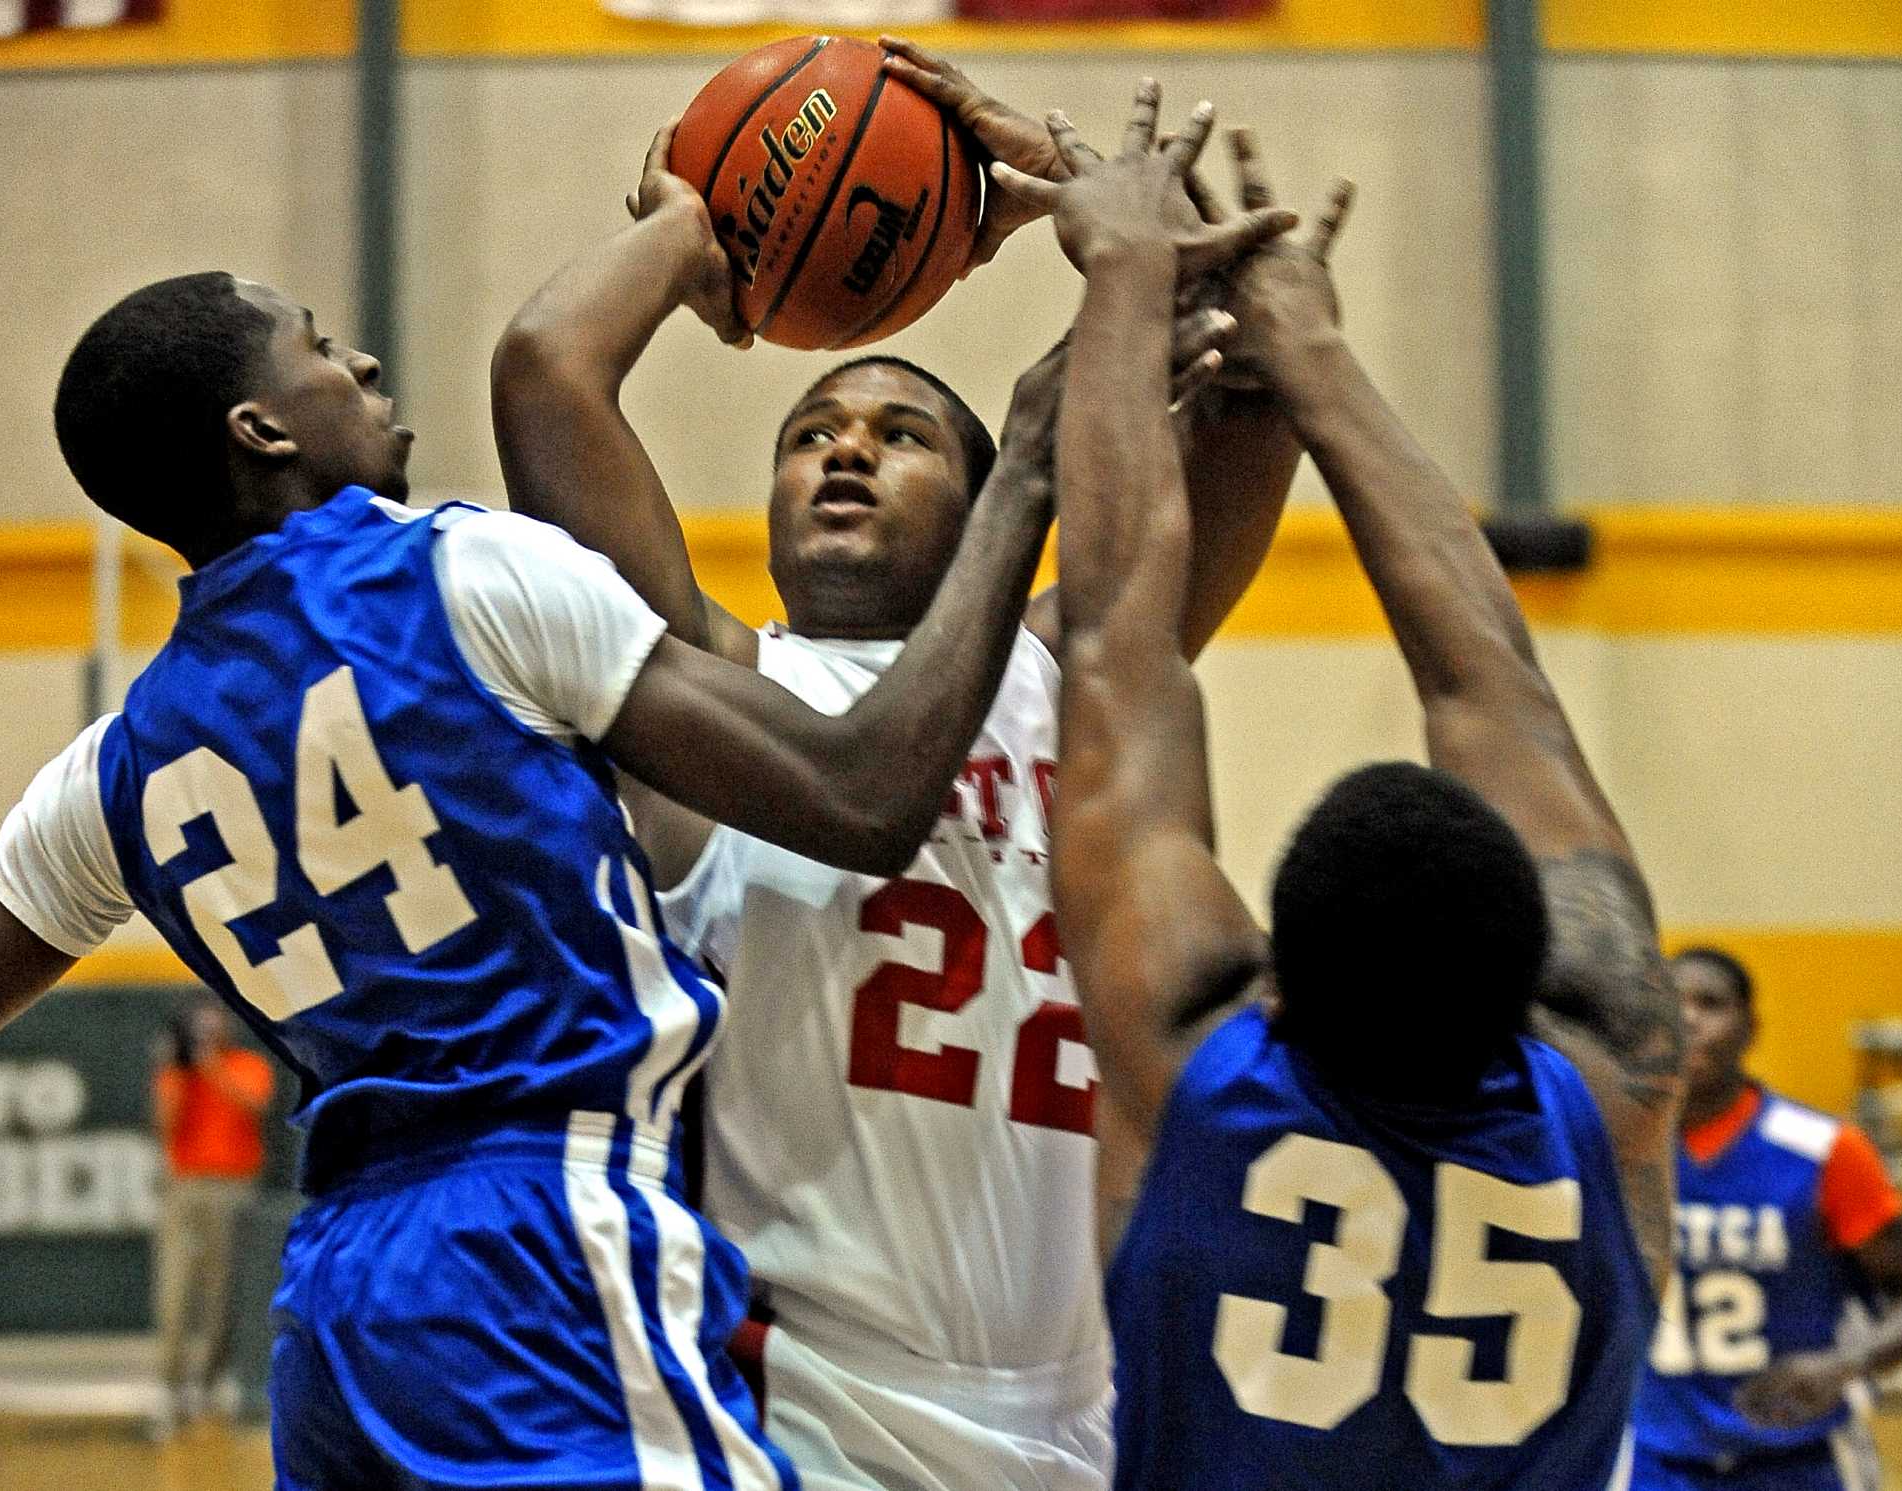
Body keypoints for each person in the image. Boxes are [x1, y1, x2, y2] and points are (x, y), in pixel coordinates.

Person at [0, 251, 1104, 1488]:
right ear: (261, 427)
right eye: (321, 346)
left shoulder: (109, 772)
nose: (363, 362)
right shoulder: (459, 569)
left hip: (336, 1295)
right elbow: (860, 795)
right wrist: (1019, 462)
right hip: (547, 1232)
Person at [490, 49, 1297, 1491]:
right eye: (812, 434)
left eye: (900, 433)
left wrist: (1080, 203)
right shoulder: (717, 697)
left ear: (998, 490)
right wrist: (690, 233)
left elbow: (1255, 397)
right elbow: (552, 374)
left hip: (1089, 1394)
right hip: (814, 1394)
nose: (844, 450)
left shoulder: (1087, 663)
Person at [1001, 91, 1685, 1488]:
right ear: (1536, 982)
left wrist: (1133, 285)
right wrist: (1316, 367)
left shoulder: (1194, 1061)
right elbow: (1498, 691)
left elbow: (1116, 640)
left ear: (1273, 982)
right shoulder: (1615, 1073)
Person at [1631, 946, 1902, 1491]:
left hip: (1802, 1456)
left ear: (1749, 1027)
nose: (1688, 1018)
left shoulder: (1824, 1149)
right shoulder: (1623, 1149)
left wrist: (1846, 1364)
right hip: (1659, 1458)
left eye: (1711, 1003)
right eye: (1672, 1003)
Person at [149, 991, 276, 1433]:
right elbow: (166, 1126)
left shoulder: (247, 1065)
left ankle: (210, 1384)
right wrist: (177, 1071)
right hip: (185, 1188)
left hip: (234, 1188)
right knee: (175, 1289)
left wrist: (212, 1067)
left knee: (224, 1293)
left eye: (213, 1023)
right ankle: (171, 1388)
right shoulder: (176, 1074)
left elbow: (256, 1105)